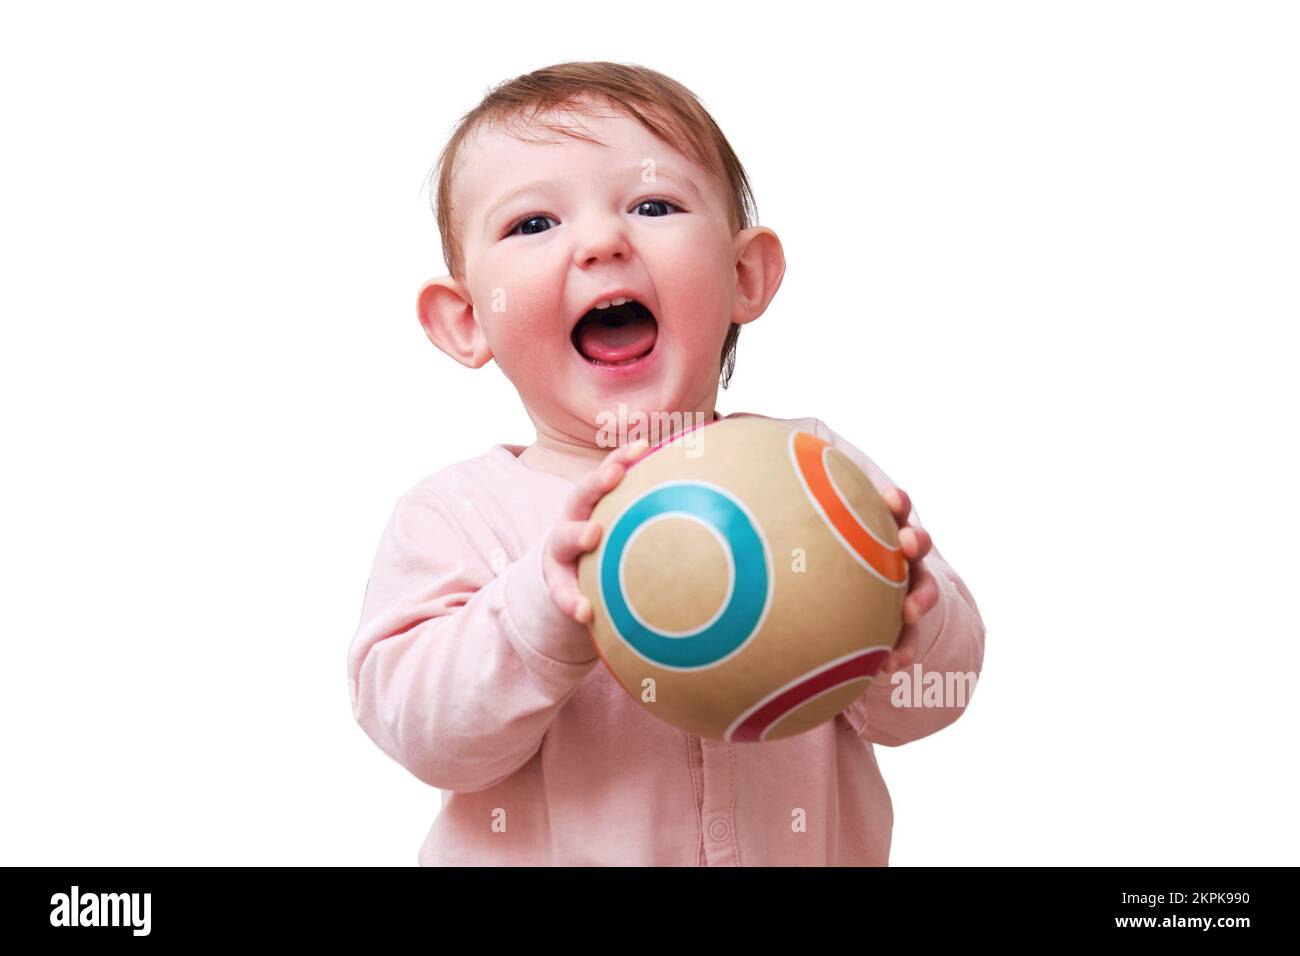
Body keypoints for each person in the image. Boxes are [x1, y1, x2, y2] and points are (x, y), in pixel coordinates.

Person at [347, 61, 986, 865]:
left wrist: (906, 624)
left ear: (743, 276)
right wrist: (538, 614)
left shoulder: (817, 480)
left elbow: (933, 704)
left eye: (654, 206)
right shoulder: (458, 515)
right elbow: (424, 734)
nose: (603, 241)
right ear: (467, 320)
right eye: (533, 224)